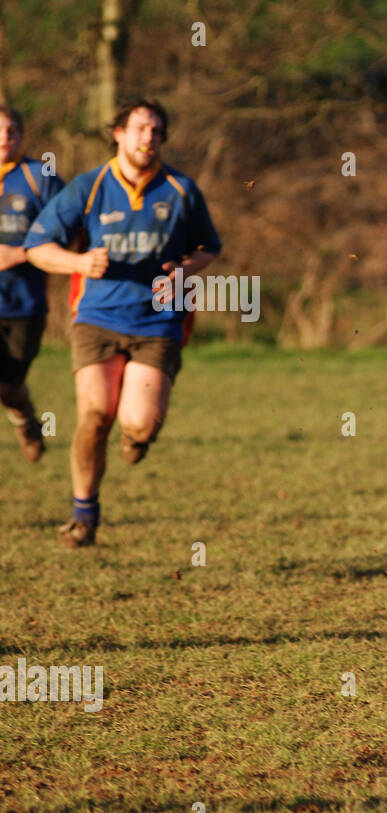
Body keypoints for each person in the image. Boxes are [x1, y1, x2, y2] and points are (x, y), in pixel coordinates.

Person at [25, 99, 221, 547]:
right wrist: (78, 261)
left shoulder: (181, 189)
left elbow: (209, 246)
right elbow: (38, 247)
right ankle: (83, 515)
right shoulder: (89, 187)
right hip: (96, 317)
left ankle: (139, 437)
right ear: (118, 133)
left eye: (156, 130)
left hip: (158, 320)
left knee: (138, 423)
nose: (148, 137)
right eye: (140, 128)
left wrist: (187, 271)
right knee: (95, 414)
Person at [0, 106, 64, 462]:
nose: (5, 137)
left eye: (11, 131)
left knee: (10, 388)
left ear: (22, 136)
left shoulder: (42, 177)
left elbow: (65, 230)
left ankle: (25, 420)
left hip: (25, 302)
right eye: (0, 130)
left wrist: (19, 254)